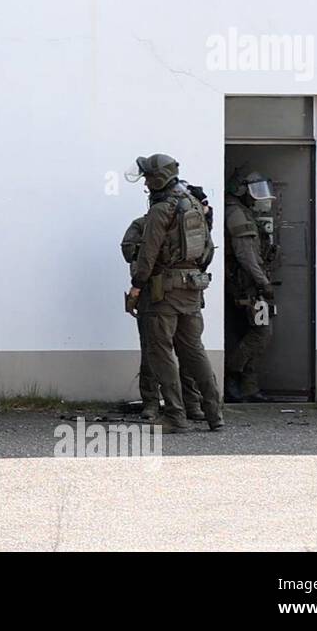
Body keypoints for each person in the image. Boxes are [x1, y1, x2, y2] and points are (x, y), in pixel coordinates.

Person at [125, 154, 224, 432]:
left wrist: (137, 285)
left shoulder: (162, 209)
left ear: (157, 178)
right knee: (194, 351)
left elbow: (148, 253)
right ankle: (214, 415)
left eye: (147, 177)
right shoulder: (194, 203)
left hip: (164, 292)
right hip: (192, 287)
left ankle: (175, 416)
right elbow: (207, 247)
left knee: (161, 352)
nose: (145, 182)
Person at [122, 215, 204, 421]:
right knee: (153, 352)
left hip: (184, 295)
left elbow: (205, 254)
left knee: (189, 353)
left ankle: (191, 403)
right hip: (154, 296)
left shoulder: (194, 224)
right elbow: (129, 251)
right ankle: (151, 403)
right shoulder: (143, 224)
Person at [224, 170, 278, 403]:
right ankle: (232, 376)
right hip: (247, 285)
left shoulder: (241, 212)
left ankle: (248, 387)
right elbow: (245, 256)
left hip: (248, 284)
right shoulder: (237, 214)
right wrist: (263, 283)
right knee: (261, 332)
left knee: (249, 333)